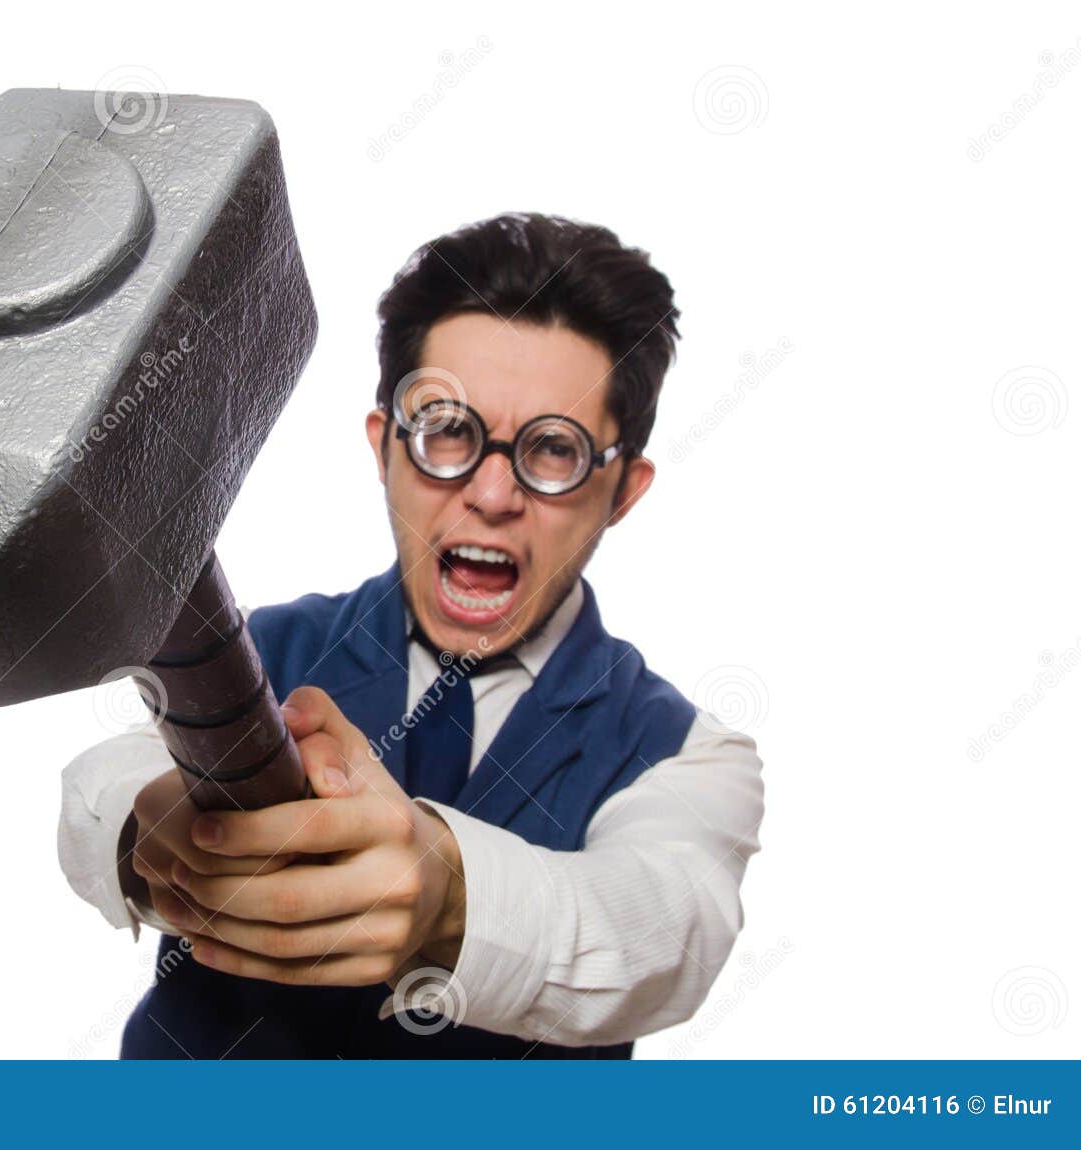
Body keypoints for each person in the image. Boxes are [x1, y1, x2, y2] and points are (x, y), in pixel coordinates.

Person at [57, 212, 765, 1059]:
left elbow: (662, 930)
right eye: (448, 431)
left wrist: (448, 890)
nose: (493, 494)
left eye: (554, 449)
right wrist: (156, 827)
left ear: (624, 491)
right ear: (384, 446)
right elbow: (108, 779)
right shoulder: (264, 647)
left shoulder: (693, 755)